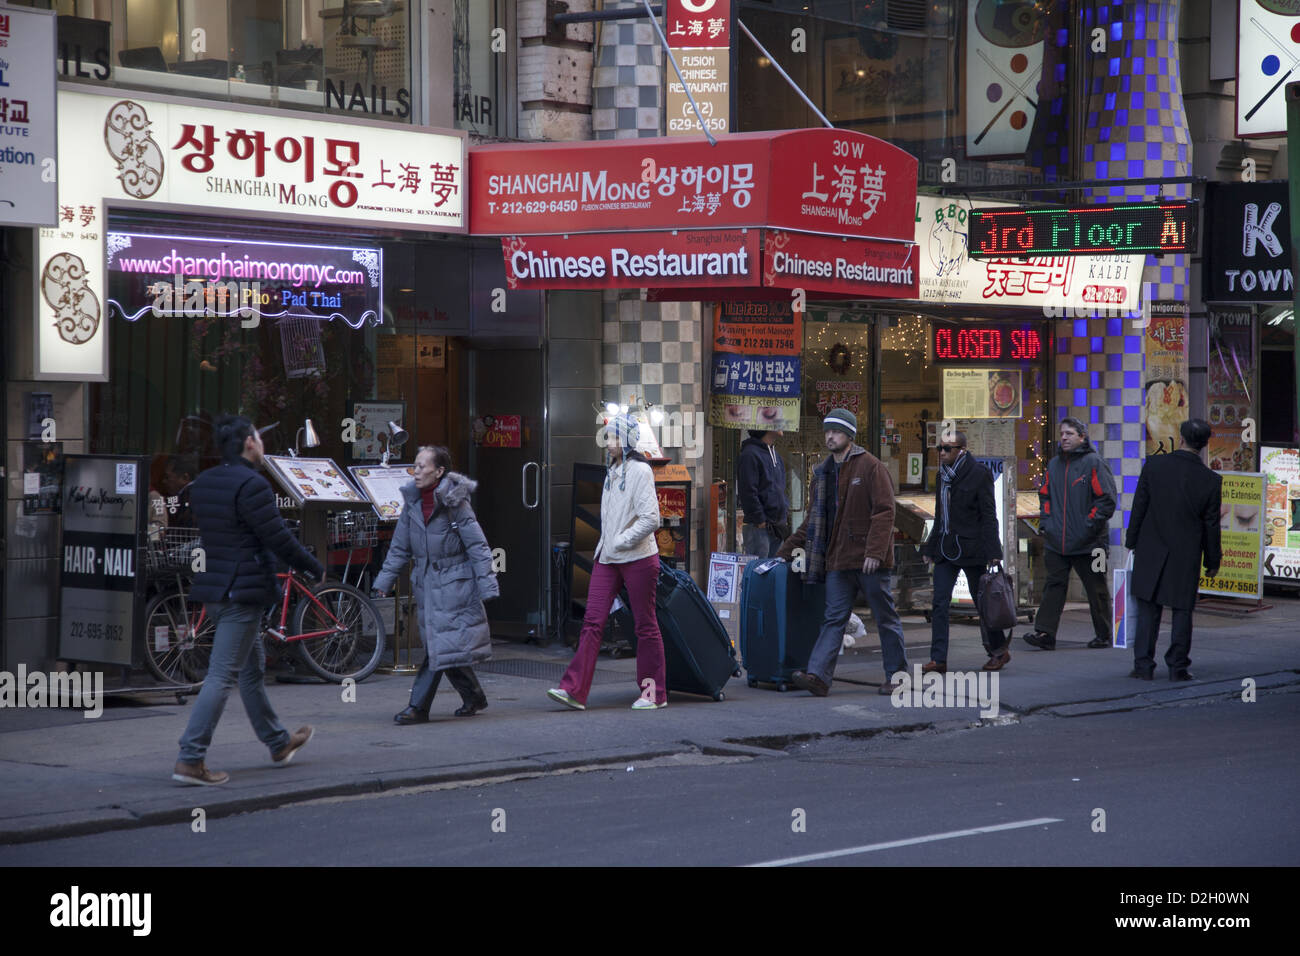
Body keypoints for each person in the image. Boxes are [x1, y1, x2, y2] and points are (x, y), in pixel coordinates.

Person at [173, 416, 322, 786]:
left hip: (216, 590)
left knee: (252, 670)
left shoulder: (204, 483)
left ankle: (278, 742)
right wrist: (312, 566)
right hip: (242, 592)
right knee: (222, 676)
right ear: (249, 444)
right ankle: (191, 759)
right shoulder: (252, 485)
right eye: (258, 437)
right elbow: (277, 538)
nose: (262, 442)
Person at [776, 408, 907, 696]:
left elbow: (885, 512)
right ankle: (819, 677)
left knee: (885, 617)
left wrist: (874, 551)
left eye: (835, 431)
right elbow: (812, 522)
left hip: (869, 560)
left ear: (849, 435)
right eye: (827, 432)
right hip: (837, 560)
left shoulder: (870, 467)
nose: (829, 436)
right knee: (834, 618)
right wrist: (785, 550)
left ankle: (898, 677)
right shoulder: (822, 472)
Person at [548, 413, 668, 711]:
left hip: (638, 557)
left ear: (626, 440)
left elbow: (652, 518)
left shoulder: (640, 471)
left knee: (645, 625)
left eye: (614, 437)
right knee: (592, 621)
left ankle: (654, 694)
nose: (608, 442)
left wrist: (619, 540)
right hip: (609, 557)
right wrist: (608, 546)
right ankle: (574, 690)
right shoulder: (612, 470)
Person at [372, 446, 498, 723]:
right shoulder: (413, 503)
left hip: (454, 584)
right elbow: (399, 548)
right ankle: (474, 695)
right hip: (427, 584)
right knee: (445, 645)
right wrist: (384, 580)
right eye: (414, 466)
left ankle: (418, 707)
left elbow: (478, 546)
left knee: (438, 645)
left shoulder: (456, 503)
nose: (415, 472)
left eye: (421, 467)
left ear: (439, 472)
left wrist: (487, 584)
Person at [1124, 419, 1222, 681]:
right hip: (1186, 553)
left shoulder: (1154, 467)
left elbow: (1139, 507)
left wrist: (1131, 542)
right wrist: (1213, 560)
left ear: (1180, 438)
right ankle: (1178, 666)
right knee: (1182, 610)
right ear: (1203, 445)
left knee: (1148, 608)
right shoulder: (1210, 480)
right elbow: (1211, 525)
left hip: (1150, 547)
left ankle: (1143, 665)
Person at [1023, 417, 1117, 651]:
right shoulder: (1054, 465)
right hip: (1057, 541)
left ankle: (1104, 634)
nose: (1063, 437)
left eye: (1069, 433)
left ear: (1082, 437)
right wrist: (1046, 524)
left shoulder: (1094, 463)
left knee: (1097, 588)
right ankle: (1045, 633)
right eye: (1062, 433)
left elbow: (1106, 501)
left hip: (1092, 542)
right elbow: (1045, 496)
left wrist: (1088, 526)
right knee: (1053, 586)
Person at [921, 430, 1011, 673]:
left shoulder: (979, 474)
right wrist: (930, 547)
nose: (941, 453)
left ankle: (998, 650)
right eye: (939, 448)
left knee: (983, 603)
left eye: (946, 449)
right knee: (939, 602)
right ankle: (938, 659)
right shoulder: (942, 476)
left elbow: (989, 516)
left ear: (961, 450)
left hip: (973, 549)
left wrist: (994, 550)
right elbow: (940, 516)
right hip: (945, 549)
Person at [738, 429, 789, 558]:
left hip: (777, 527)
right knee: (759, 572)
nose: (781, 424)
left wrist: (783, 516)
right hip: (760, 527)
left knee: (773, 572)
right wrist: (759, 520)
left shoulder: (776, 455)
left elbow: (779, 489)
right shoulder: (750, 454)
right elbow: (748, 491)